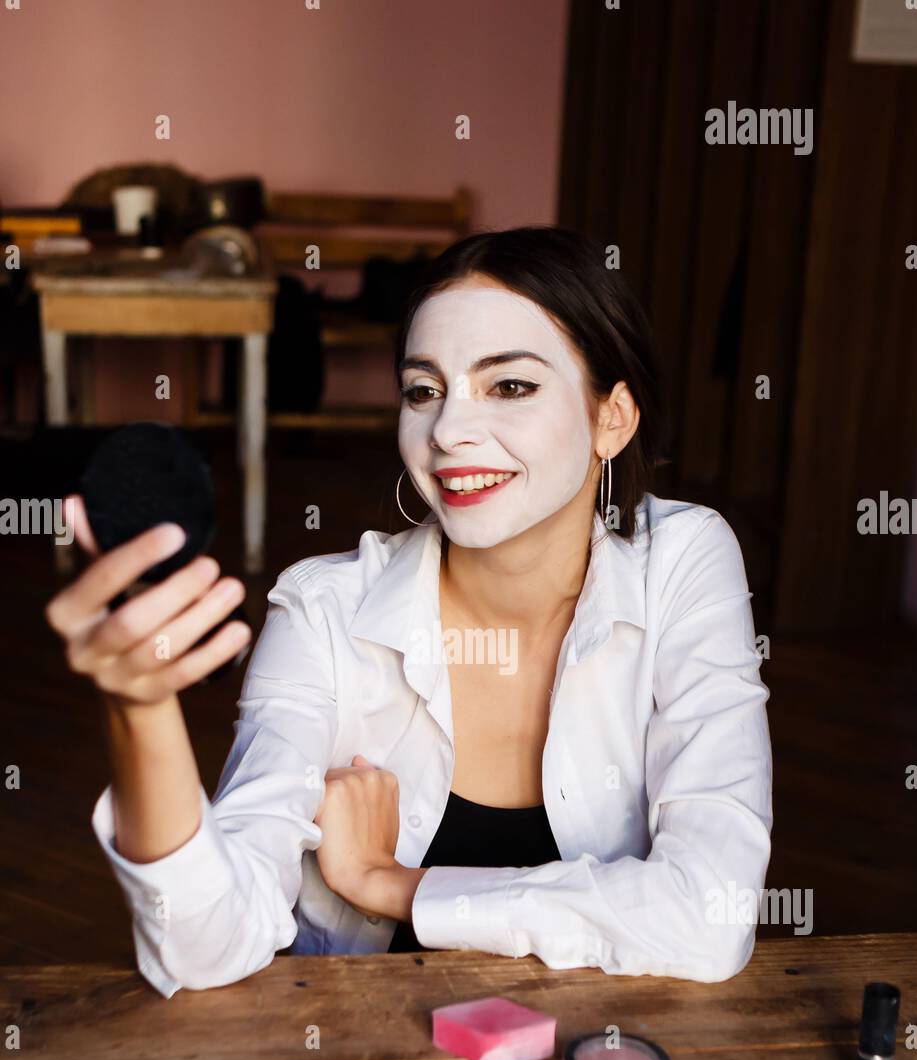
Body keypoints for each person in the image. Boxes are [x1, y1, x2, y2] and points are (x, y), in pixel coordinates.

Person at [45, 226, 772, 999]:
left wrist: (392, 884)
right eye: (424, 390)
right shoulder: (325, 611)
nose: (448, 432)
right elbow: (204, 949)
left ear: (612, 419)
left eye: (510, 386)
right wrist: (140, 708)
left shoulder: (683, 562)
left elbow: (712, 911)